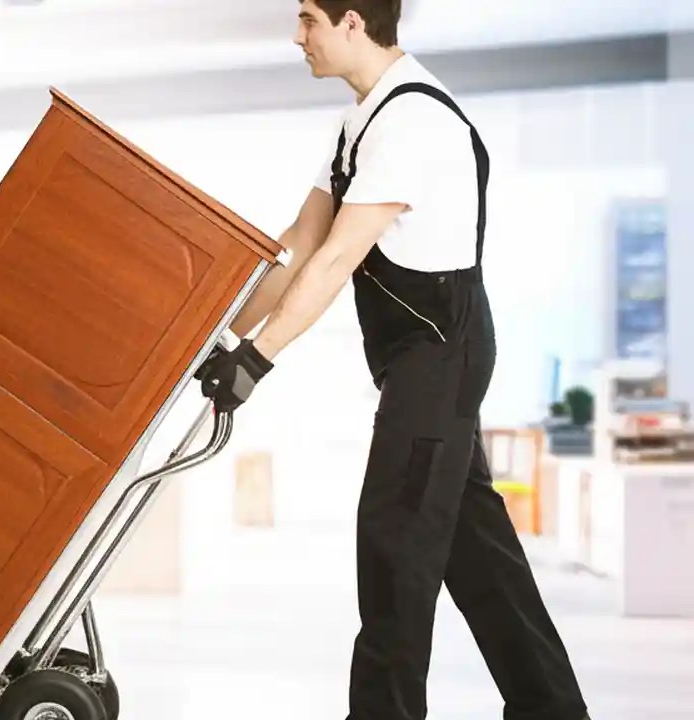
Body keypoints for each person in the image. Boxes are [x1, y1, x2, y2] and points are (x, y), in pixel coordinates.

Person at [197, 1, 591, 719]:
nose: (297, 36)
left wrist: (255, 360)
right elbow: (300, 244)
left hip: (440, 354)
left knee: (395, 545)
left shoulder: (413, 121)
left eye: (309, 20)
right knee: (479, 556)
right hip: (422, 357)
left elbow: (339, 257)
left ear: (353, 23)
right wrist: (218, 334)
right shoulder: (358, 124)